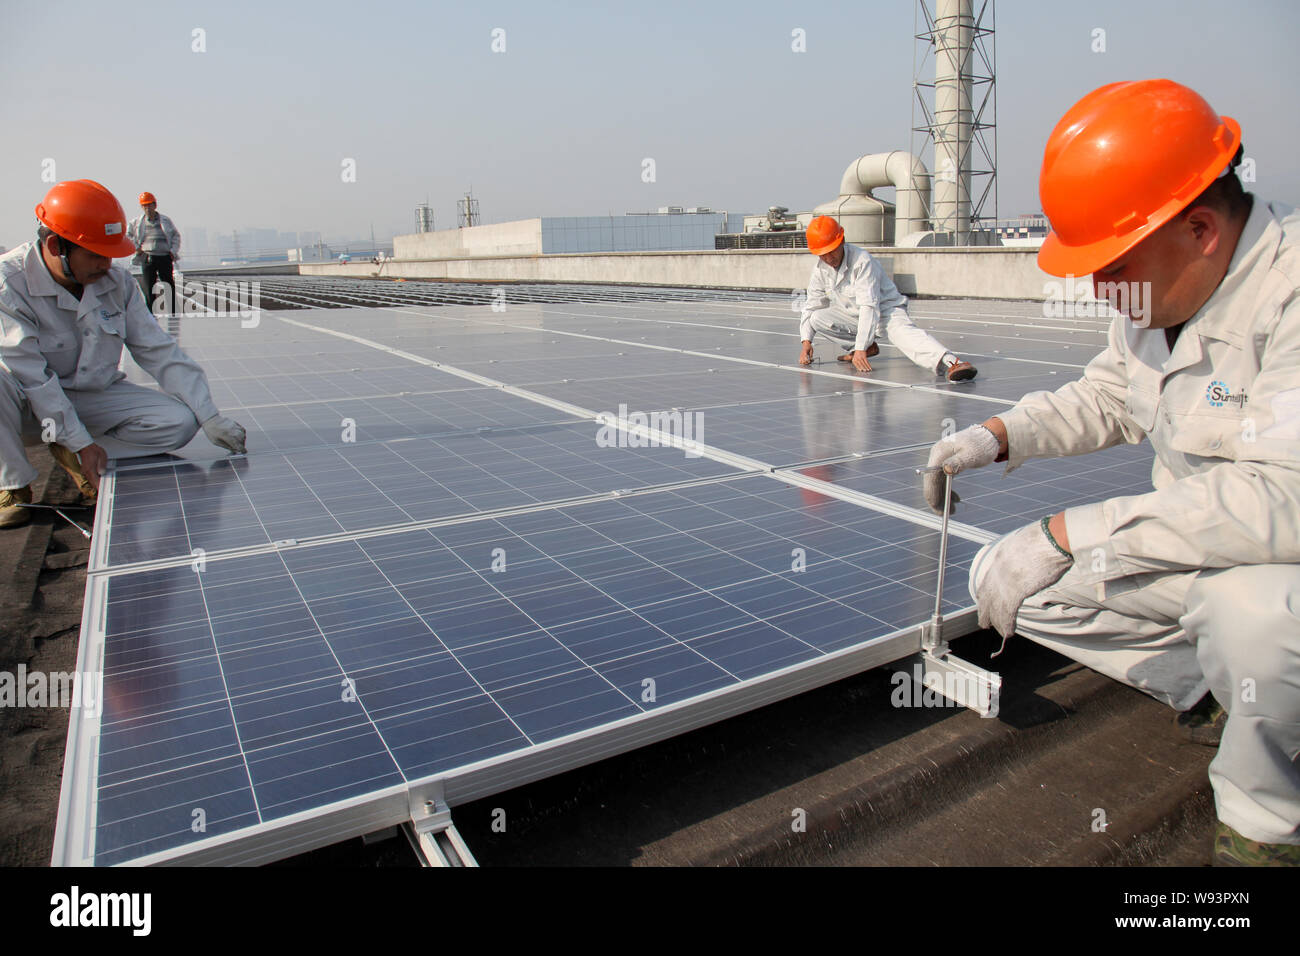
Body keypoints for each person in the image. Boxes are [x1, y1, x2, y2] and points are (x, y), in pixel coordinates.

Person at [921, 80, 1299, 865]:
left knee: (1251, 619)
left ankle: (1264, 827)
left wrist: (1074, 531)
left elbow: (1284, 499)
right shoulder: (1158, 297)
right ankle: (1225, 695)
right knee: (1009, 581)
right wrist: (998, 435)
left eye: (1113, 263)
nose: (1100, 288)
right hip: (1204, 545)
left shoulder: (1288, 298)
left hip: (1282, 563)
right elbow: (1109, 396)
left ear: (1199, 228)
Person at [0, 180, 246, 529]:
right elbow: (33, 378)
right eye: (96, 254)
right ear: (56, 245)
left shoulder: (116, 283)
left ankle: (73, 450)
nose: (106, 264)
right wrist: (81, 440)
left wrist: (210, 415)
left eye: (111, 253)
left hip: (92, 396)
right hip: (25, 406)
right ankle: (12, 485)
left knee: (179, 423)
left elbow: (158, 351)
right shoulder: (9, 284)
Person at [797, 215, 977, 381]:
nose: (828, 258)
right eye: (823, 254)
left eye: (832, 251)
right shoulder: (820, 269)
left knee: (905, 335)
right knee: (817, 318)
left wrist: (861, 349)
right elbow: (812, 304)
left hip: (885, 312)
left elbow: (869, 306)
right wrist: (806, 342)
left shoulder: (861, 261)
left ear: (841, 241)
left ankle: (951, 362)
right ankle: (865, 347)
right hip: (853, 315)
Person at [128, 191, 181, 315]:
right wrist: (136, 247)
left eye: (149, 205)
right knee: (149, 288)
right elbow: (128, 235)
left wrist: (172, 251)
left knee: (168, 285)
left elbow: (175, 236)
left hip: (164, 256)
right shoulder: (137, 222)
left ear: (154, 205)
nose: (147, 208)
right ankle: (150, 315)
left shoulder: (165, 221)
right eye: (144, 206)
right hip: (147, 257)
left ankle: (173, 312)